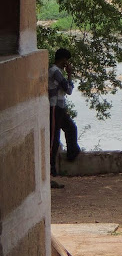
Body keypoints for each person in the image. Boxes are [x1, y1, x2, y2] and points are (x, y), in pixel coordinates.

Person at [48, 48, 81, 180]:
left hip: (60, 107)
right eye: (66, 60)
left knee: (71, 128)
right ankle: (51, 169)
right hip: (54, 106)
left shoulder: (57, 71)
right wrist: (70, 75)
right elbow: (68, 90)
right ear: (63, 60)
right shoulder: (55, 71)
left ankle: (72, 154)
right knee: (54, 138)